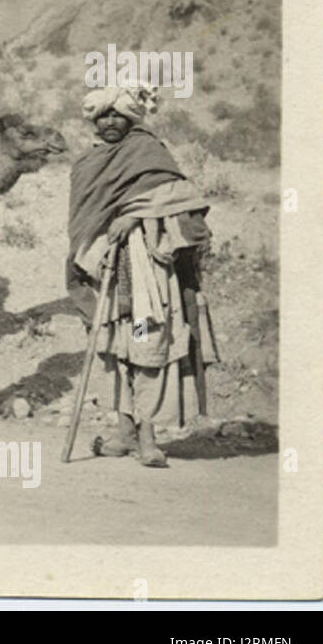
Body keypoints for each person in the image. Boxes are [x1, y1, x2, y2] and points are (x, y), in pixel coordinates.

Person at [66, 85, 219, 467]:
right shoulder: (88, 162)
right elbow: (82, 222)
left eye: (117, 114)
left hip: (147, 274)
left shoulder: (148, 152)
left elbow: (185, 199)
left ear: (131, 117)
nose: (110, 121)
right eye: (103, 116)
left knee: (145, 343)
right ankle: (123, 432)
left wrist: (134, 215)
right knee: (114, 350)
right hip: (106, 276)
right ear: (94, 121)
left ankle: (148, 436)